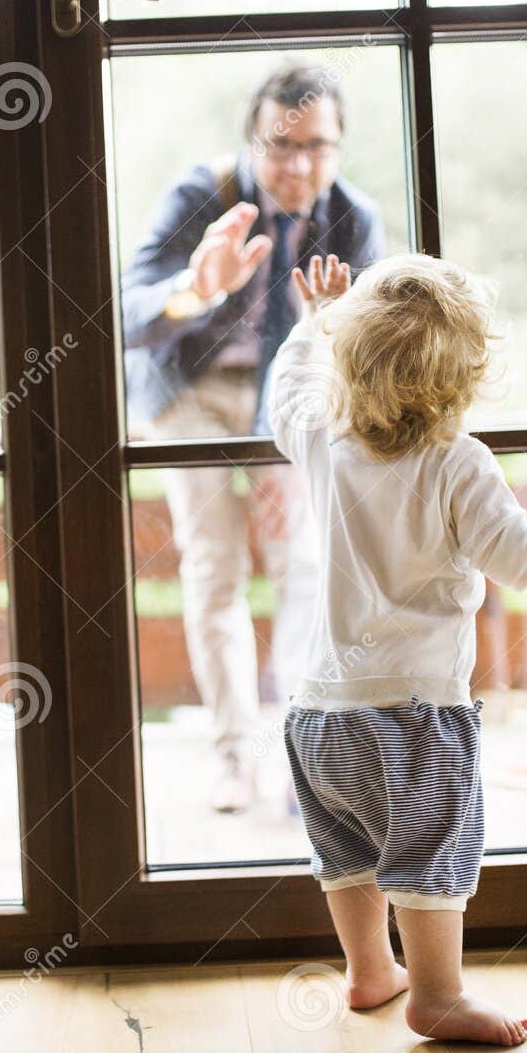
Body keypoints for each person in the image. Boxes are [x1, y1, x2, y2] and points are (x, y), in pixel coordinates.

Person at [269, 252, 527, 1045]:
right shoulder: (456, 461)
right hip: (415, 715)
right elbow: (525, 558)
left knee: (346, 849)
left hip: (317, 713)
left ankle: (369, 968)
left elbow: (287, 392)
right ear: (462, 375)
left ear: (348, 357)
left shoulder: (321, 439)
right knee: (431, 852)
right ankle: (436, 992)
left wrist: (311, 322)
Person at [120, 64, 385, 813]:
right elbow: (128, 314)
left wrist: (289, 456)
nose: (298, 165)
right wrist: (199, 288)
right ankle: (236, 757)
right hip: (190, 392)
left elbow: (358, 348)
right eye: (280, 146)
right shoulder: (197, 195)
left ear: (339, 149)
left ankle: (304, 754)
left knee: (303, 562)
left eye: (318, 147)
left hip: (288, 400)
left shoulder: (354, 219)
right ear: (250, 140)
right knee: (216, 567)